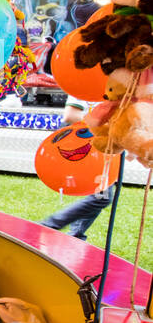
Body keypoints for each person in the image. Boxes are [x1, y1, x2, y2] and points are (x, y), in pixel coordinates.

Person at [40, 100, 121, 239]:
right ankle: (50, 225)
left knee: (100, 194)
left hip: (99, 145)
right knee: (101, 196)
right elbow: (70, 115)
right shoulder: (86, 87)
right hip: (80, 146)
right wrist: (103, 126)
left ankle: (75, 234)